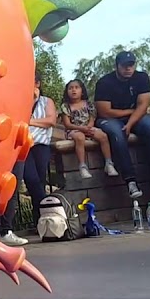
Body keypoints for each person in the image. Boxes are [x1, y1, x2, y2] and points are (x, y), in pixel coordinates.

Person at [92, 52, 150, 199]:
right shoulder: (105, 83)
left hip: (134, 116)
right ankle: (130, 180)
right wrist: (130, 113)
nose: (128, 69)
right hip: (111, 118)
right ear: (117, 66)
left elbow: (143, 105)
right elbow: (105, 111)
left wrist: (130, 123)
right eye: (124, 66)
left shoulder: (141, 78)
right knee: (117, 134)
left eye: (131, 65)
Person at [59, 79, 118, 180]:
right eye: (70, 88)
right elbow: (67, 124)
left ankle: (109, 163)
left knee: (103, 136)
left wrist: (89, 127)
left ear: (82, 91)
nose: (73, 90)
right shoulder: (66, 106)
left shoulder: (88, 104)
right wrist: (81, 128)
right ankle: (82, 166)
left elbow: (92, 118)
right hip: (74, 130)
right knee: (80, 137)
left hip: (88, 128)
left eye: (76, 88)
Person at [23, 71, 56, 225]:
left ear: (37, 84)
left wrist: (29, 121)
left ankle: (39, 220)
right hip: (24, 145)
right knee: (31, 179)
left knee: (40, 180)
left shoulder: (46, 101)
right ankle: (47, 212)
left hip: (41, 144)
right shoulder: (21, 101)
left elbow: (51, 120)